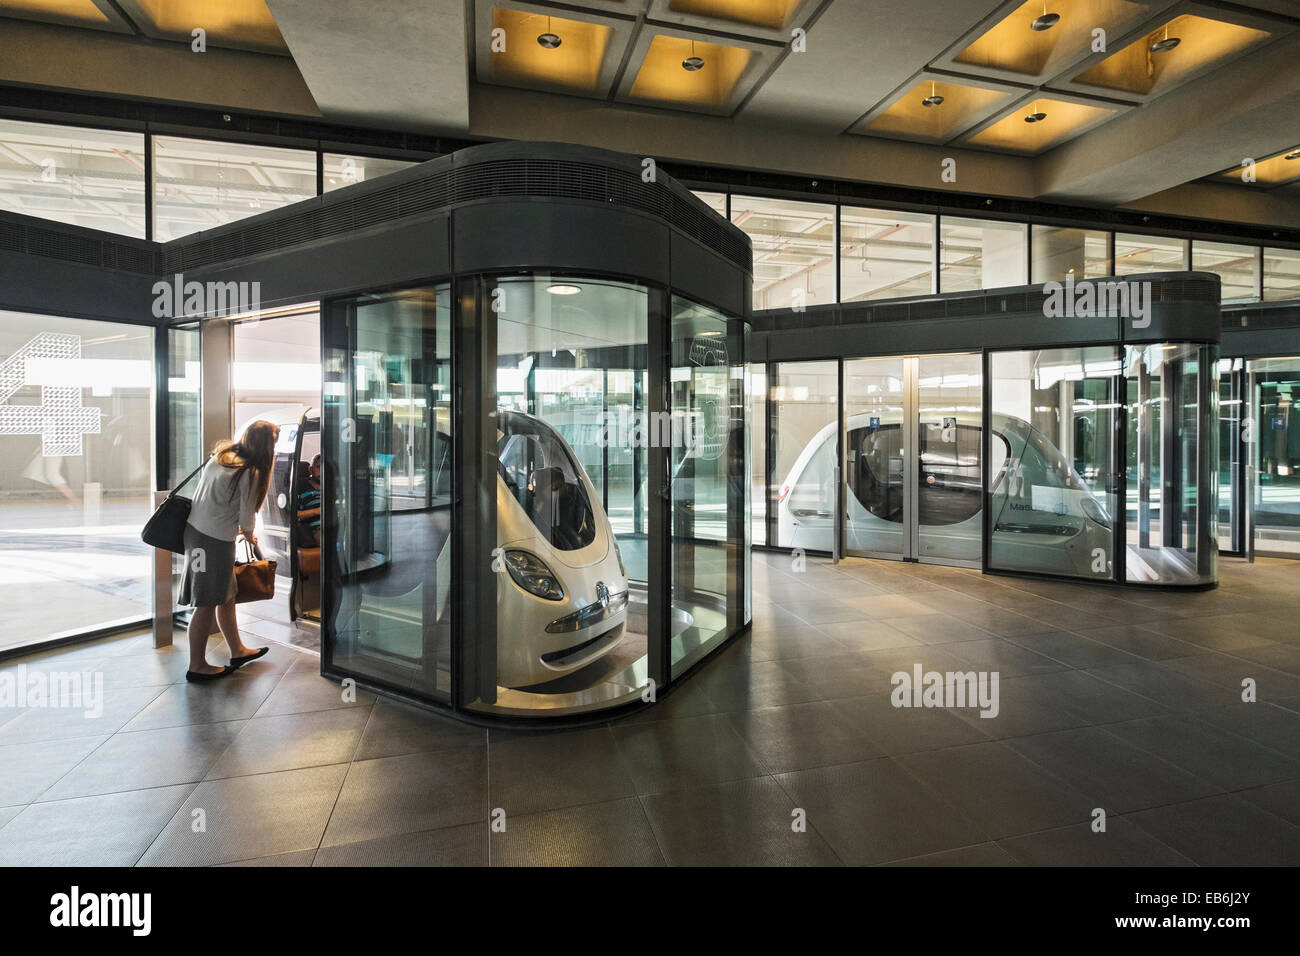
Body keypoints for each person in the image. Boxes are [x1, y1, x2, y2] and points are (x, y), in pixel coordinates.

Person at [178, 420, 277, 681]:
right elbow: (246, 519)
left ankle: (238, 650)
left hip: (197, 532)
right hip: (214, 540)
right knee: (207, 602)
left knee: (226, 595)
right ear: (267, 445)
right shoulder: (250, 471)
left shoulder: (223, 456)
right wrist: (253, 540)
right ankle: (197, 665)